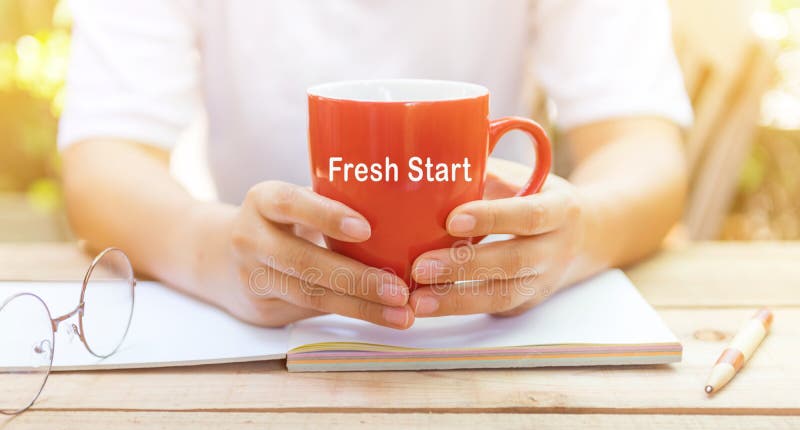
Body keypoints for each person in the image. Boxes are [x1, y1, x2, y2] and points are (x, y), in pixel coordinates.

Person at [59, 0, 692, 330]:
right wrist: (212, 251)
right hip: (273, 343)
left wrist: (577, 234)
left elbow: (644, 147)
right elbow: (103, 158)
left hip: (477, 327)